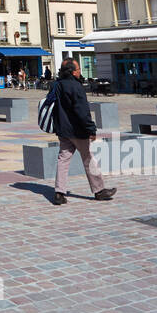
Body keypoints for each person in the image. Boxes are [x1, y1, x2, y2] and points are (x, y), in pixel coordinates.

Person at [43, 58, 116, 205]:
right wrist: (91, 129)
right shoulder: (76, 87)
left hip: (63, 130)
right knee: (88, 158)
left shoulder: (56, 85)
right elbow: (82, 111)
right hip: (77, 130)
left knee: (63, 160)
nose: (79, 72)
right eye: (77, 69)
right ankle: (99, 190)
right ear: (72, 71)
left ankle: (59, 192)